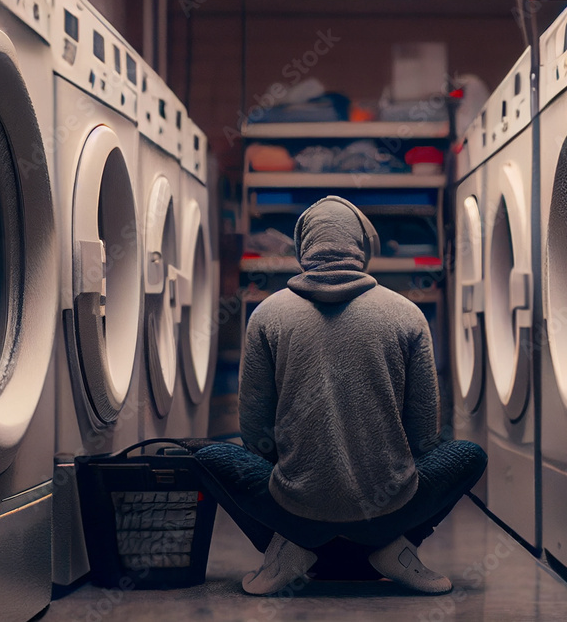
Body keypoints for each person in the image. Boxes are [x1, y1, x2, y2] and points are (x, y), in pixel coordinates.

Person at [194, 195, 486, 596]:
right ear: (363, 246)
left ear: (303, 247)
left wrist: (302, 482)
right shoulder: (408, 314)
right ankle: (395, 547)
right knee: (469, 454)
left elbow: (254, 431)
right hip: (389, 511)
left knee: (209, 457)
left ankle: (289, 548)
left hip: (294, 512)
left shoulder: (266, 315)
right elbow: (423, 435)